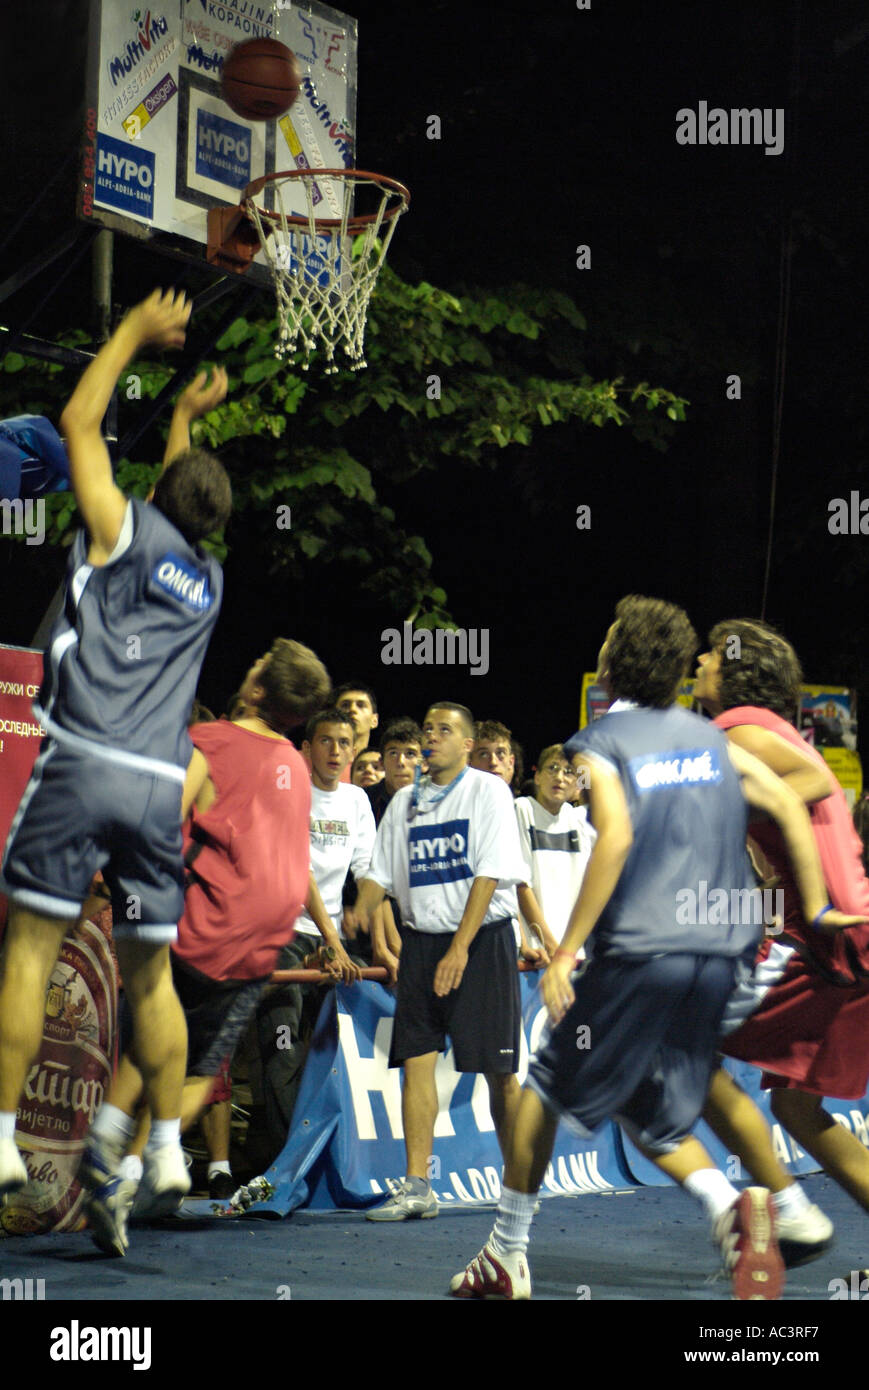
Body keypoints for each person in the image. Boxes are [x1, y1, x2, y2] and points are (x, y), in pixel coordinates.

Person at [449, 596, 864, 1300]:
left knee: (552, 1084)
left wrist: (562, 950)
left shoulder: (617, 738)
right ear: (674, 670)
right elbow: (801, 797)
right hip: (732, 943)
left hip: (659, 943)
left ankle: (513, 1252)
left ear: (611, 664)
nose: (705, 661)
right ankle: (782, 1206)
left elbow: (612, 838)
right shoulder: (708, 742)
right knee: (703, 1077)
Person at [0, 289, 231, 1209]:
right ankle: (167, 1148)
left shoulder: (122, 527)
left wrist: (133, 334)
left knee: (28, 951)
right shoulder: (206, 577)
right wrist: (180, 419)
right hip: (156, 785)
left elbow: (77, 420)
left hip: (84, 759)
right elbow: (187, 497)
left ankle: (1, 1140)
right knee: (151, 972)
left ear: (153, 500)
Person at [81, 638, 332, 1253]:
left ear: (255, 690)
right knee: (198, 1062)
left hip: (210, 918)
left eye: (253, 664)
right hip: (267, 931)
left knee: (154, 1031)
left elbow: (163, 817)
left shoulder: (212, 739)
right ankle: (134, 1169)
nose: (246, 666)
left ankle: (108, 1138)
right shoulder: (297, 765)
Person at [694, 618, 869, 1259]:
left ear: (738, 676)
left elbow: (815, 785)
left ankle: (788, 1211)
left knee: (680, 1045)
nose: (702, 658)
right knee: (798, 1109)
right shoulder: (768, 731)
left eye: (712, 653)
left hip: (827, 942)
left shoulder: (738, 727)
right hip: (852, 938)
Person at [356, 703, 525, 1221]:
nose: (431, 737)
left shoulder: (488, 790)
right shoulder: (403, 801)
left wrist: (459, 949)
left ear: (467, 744)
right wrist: (359, 908)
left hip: (481, 942)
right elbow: (379, 874)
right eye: (426, 728)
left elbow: (490, 873)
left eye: (443, 730)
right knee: (416, 1062)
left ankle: (520, 1184)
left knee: (498, 1071)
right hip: (422, 943)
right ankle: (417, 1187)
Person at [255, 707, 372, 1160]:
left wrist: (381, 946)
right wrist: (334, 941)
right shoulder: (288, 794)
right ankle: (290, 1164)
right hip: (279, 936)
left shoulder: (358, 801)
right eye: (325, 741)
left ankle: (336, 1156)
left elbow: (368, 875)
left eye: (344, 743)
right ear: (306, 749)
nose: (336, 751)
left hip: (330, 941)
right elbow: (297, 874)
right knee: (281, 1050)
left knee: (346, 1047)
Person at [513, 745, 596, 961]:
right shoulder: (522, 809)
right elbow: (521, 885)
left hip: (572, 954)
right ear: (538, 777)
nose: (559, 777)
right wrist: (550, 945)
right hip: (538, 953)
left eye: (568, 772)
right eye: (552, 768)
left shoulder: (579, 820)